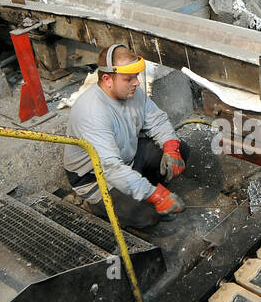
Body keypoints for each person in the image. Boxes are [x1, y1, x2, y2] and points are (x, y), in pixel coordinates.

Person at [63, 44, 187, 230]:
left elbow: (156, 120)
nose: (137, 82)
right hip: (95, 178)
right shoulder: (92, 112)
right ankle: (96, 207)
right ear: (107, 79)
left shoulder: (131, 92)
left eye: (136, 76)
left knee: (181, 150)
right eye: (129, 78)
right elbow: (112, 169)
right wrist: (157, 196)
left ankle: (140, 189)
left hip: (125, 158)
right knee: (148, 217)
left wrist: (171, 148)